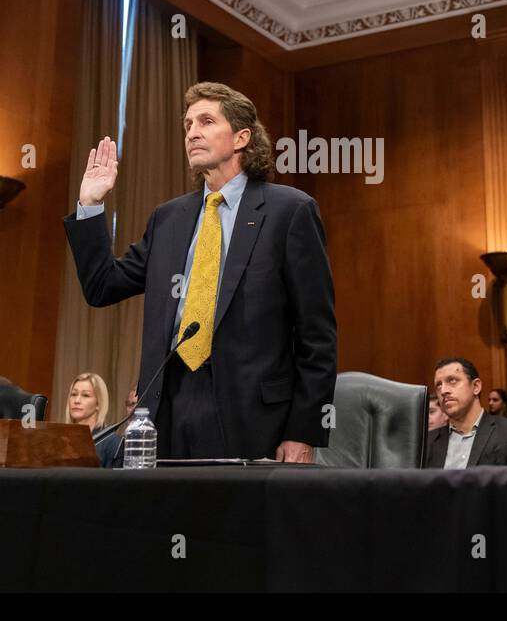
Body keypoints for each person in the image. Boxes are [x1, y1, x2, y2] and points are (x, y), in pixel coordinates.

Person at [64, 82, 337, 461]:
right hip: (166, 405)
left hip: (250, 415)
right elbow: (102, 286)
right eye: (188, 124)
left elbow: (316, 335)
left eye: (206, 121)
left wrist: (302, 432)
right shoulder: (169, 219)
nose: (192, 132)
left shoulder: (289, 211)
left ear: (242, 137)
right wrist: (90, 205)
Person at [426, 358, 507, 468]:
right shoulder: (427, 442)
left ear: (476, 387)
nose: (444, 390)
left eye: (452, 381)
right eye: (439, 385)